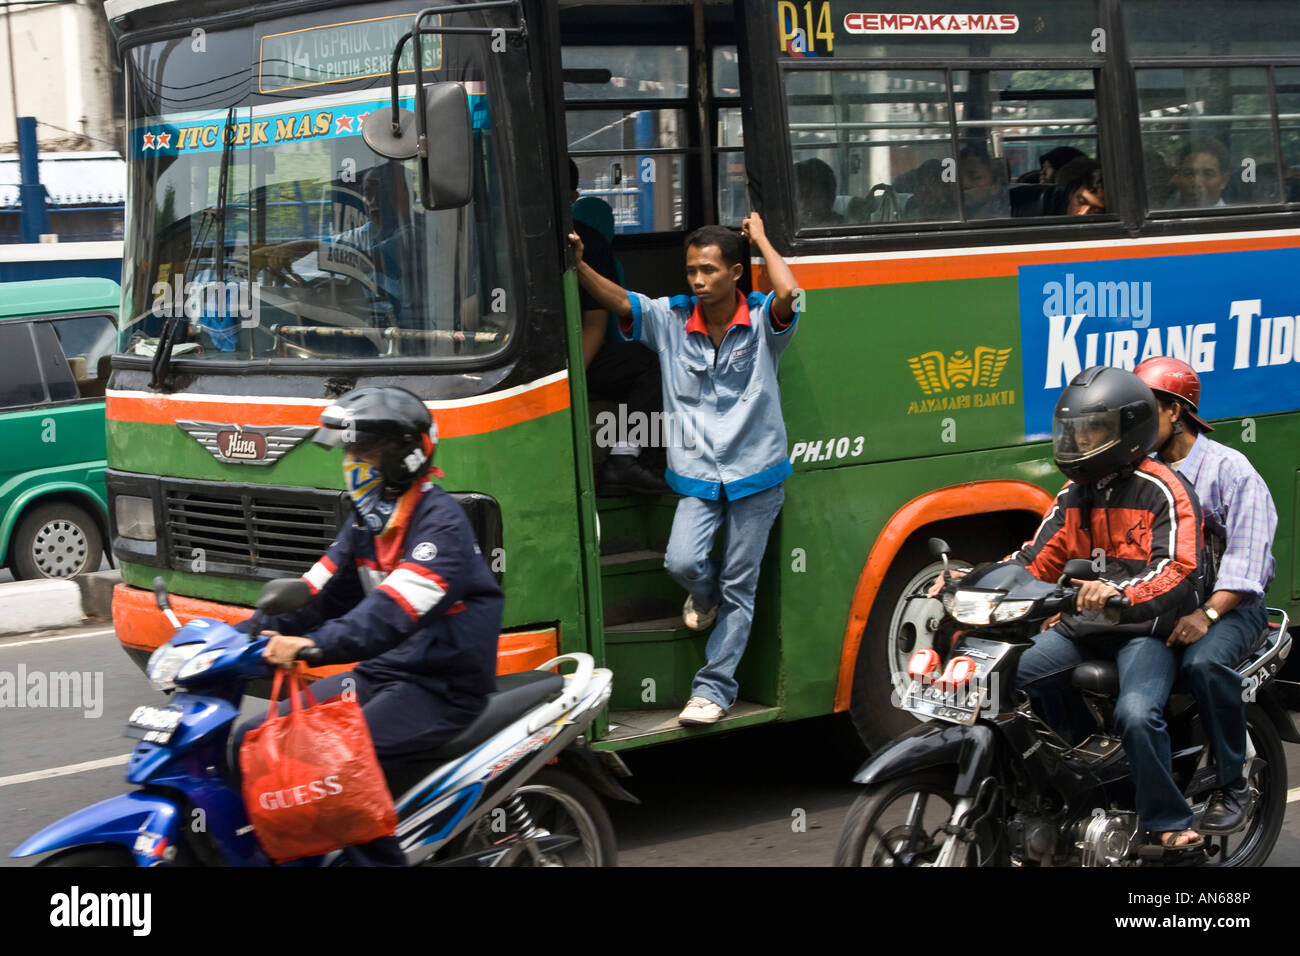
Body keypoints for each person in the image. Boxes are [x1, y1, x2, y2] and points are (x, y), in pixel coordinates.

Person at [934, 366, 1204, 849]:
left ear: (1128, 428)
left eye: (1093, 429)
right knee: (999, 678)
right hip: (1080, 629)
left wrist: (1120, 595)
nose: (1079, 440)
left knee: (1138, 713)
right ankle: (1063, 785)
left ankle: (1167, 822)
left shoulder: (1163, 489)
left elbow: (1179, 570)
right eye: (1074, 429)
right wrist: (970, 580)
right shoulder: (1076, 494)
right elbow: (1034, 560)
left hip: (1143, 632)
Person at [233, 386, 504, 865]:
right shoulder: (366, 521)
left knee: (336, 761)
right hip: (383, 674)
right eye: (349, 452)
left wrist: (311, 647)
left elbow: (390, 614)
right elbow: (318, 589)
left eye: (365, 452)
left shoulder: (441, 527)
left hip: (441, 686)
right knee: (252, 739)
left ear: (405, 458)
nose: (352, 463)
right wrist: (243, 634)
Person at [568, 213, 799, 725]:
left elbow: (790, 293)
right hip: (697, 475)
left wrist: (760, 238)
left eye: (709, 271)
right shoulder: (672, 320)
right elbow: (620, 301)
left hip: (756, 475)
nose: (697, 280)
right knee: (681, 563)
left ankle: (713, 690)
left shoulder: (762, 319)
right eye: (692, 270)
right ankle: (703, 595)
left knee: (742, 586)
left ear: (736, 273)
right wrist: (580, 265)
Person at [1135, 356, 1278, 834]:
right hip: (1164, 608)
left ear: (1175, 411)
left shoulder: (1230, 471)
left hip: (1231, 608)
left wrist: (1208, 615)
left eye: (1146, 408)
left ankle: (1232, 783)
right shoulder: (1141, 471)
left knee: (1202, 664)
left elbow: (1247, 564)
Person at [568, 159, 668, 496]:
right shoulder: (585, 240)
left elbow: (594, 327)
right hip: (543, 358)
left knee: (654, 361)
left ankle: (625, 457)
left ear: (571, 197)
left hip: (575, 358)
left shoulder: (586, 243)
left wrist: (568, 386)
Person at [1171, 140, 1231, 208]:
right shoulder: (1167, 214)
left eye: (1208, 174)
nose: (1197, 183)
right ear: (1179, 178)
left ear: (1224, 181)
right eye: (1189, 174)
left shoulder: (1237, 217)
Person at [958, 147, 1009, 219]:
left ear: (996, 185)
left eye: (975, 177)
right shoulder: (948, 218)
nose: (964, 184)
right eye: (958, 178)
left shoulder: (1004, 220)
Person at [794, 158, 844, 226]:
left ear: (830, 198)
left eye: (808, 194)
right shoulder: (791, 226)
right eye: (798, 195)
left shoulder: (844, 227)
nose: (803, 203)